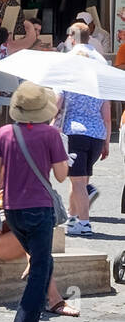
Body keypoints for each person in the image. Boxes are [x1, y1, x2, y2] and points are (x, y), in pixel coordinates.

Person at [0, 82, 70, 322]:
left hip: (12, 209)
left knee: (41, 264)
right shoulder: (50, 135)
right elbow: (60, 175)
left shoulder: (4, 132)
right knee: (40, 270)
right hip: (39, 208)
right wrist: (64, 157)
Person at [0, 136, 76, 316]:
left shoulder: (15, 179)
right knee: (35, 243)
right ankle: (54, 300)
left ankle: (46, 286)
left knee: (36, 236)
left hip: (8, 232)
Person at [57, 47, 110, 235]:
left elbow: (56, 107)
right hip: (97, 135)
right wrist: (106, 141)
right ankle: (72, 218)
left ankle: (85, 223)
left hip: (76, 133)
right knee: (79, 179)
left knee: (78, 182)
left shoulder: (67, 83)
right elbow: (106, 116)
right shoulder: (98, 85)